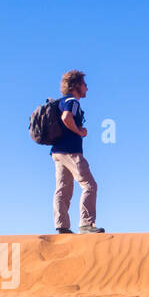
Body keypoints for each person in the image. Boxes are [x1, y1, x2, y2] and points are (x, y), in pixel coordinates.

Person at [51, 70, 104, 233]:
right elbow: (66, 117)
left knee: (63, 189)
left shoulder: (60, 101)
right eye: (85, 85)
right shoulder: (72, 101)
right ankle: (86, 224)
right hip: (70, 151)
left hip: (57, 152)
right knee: (90, 185)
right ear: (76, 85)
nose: (87, 89)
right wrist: (80, 131)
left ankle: (62, 226)